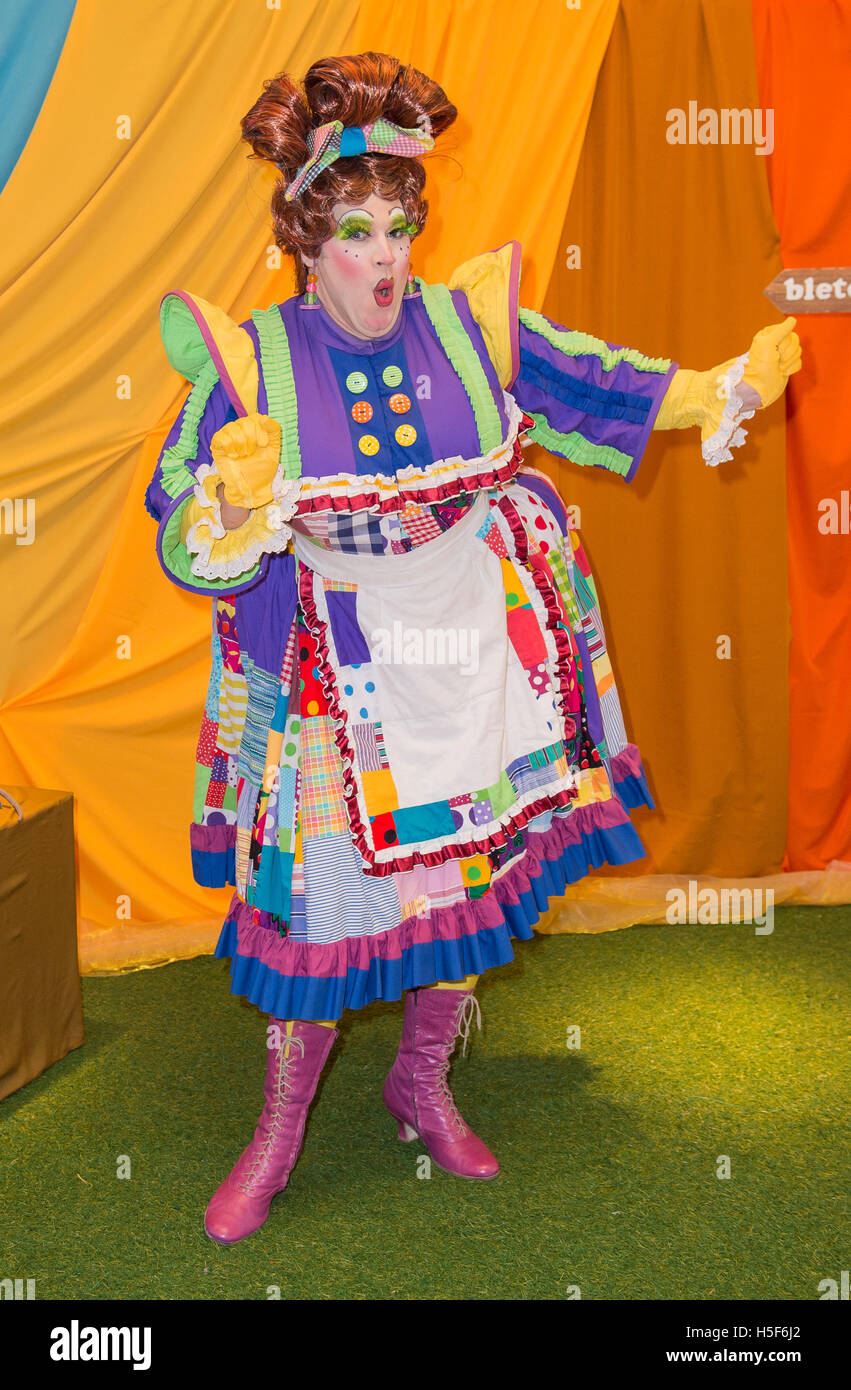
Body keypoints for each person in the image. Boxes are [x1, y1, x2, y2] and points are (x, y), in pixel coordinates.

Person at [145, 51, 801, 1246]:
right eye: (356, 230)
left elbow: (584, 381)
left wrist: (713, 390)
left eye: (400, 225)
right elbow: (179, 531)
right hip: (328, 688)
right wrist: (229, 510)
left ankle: (420, 1082)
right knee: (317, 910)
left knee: (463, 881)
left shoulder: (462, 324)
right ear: (304, 238)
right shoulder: (246, 366)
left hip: (469, 660)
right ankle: (279, 1130)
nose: (387, 257)